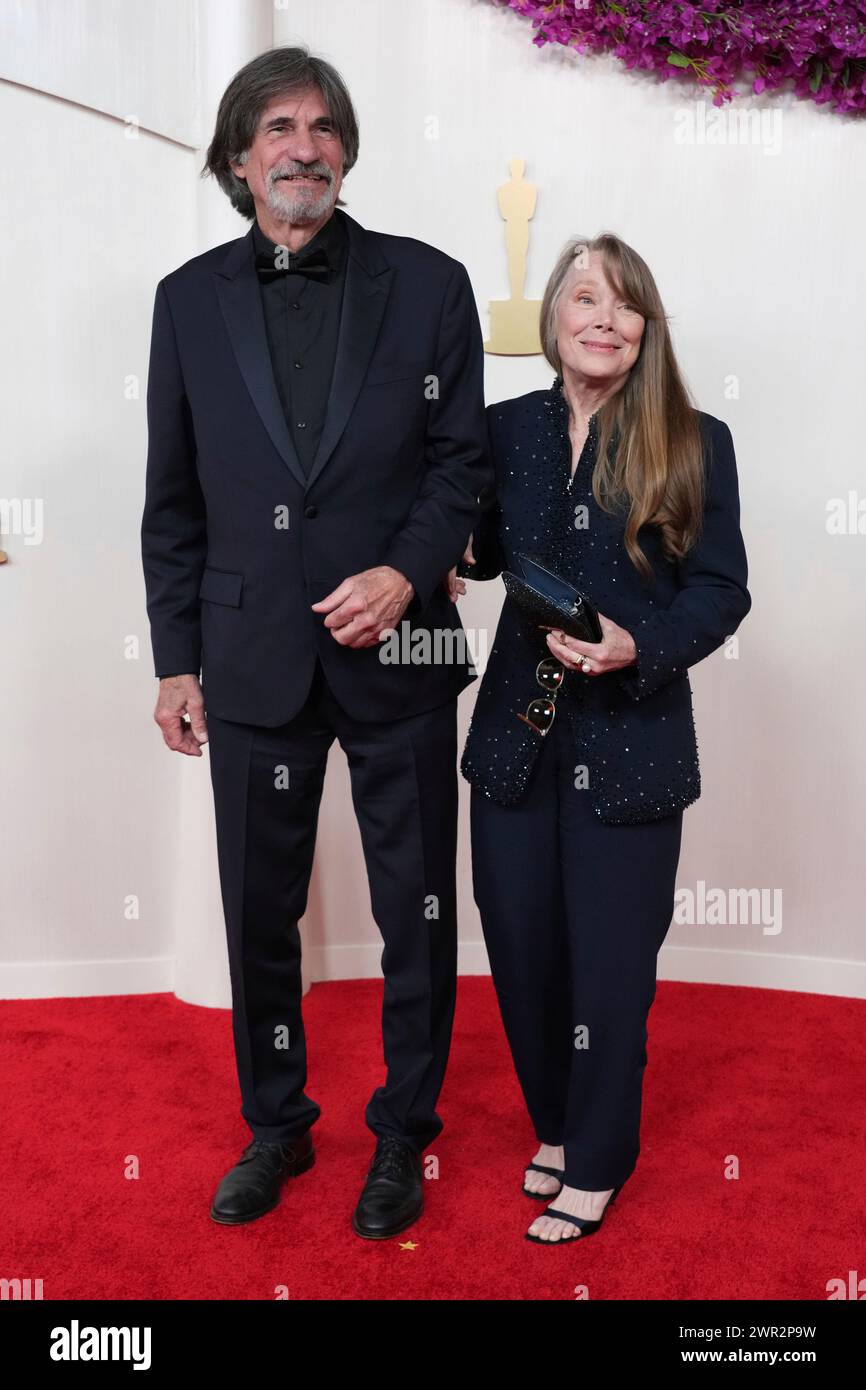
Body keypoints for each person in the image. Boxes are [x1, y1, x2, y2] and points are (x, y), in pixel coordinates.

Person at [140, 46, 489, 1240]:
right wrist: (174, 659)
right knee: (257, 913)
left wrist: (402, 572)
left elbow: (462, 467)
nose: (305, 145)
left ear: (346, 149)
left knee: (417, 907)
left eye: (323, 126)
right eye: (278, 127)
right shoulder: (185, 301)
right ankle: (276, 1124)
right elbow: (172, 498)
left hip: (402, 653)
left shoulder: (431, 284)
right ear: (238, 159)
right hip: (244, 661)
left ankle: (403, 1134)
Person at [449, 232, 751, 1243]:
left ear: (644, 326)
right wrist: (447, 550)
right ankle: (556, 1123)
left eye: (623, 302)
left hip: (632, 740)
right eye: (582, 297)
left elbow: (720, 589)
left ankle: (598, 1155)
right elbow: (485, 549)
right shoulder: (501, 429)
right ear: (552, 319)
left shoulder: (693, 439)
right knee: (521, 941)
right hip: (512, 742)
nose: (602, 316)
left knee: (611, 959)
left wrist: (641, 644)